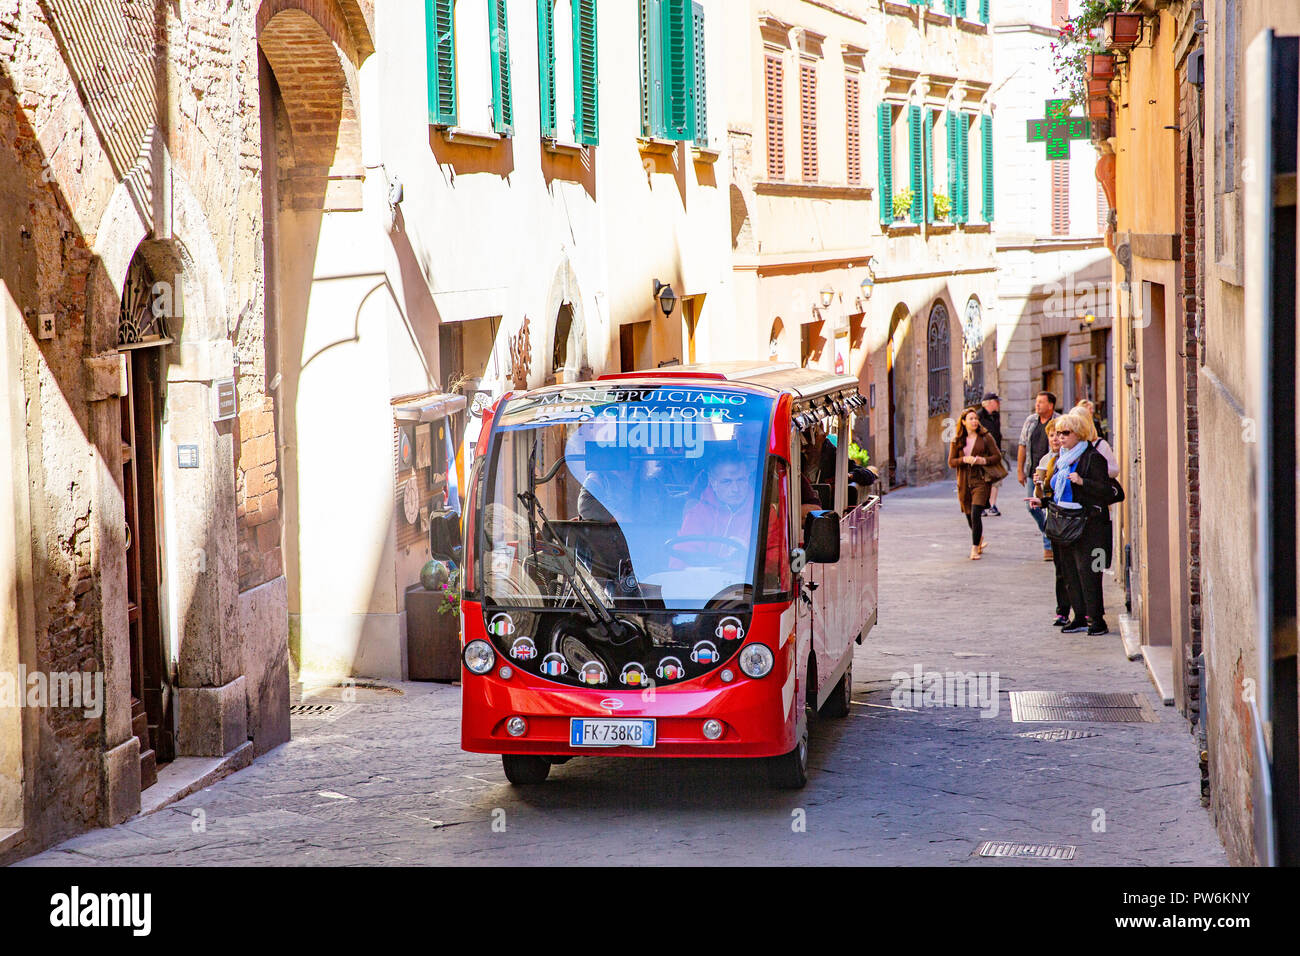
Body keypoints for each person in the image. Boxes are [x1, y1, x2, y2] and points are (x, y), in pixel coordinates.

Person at [1032, 411, 1115, 635]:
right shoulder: (1061, 460)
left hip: (1089, 526)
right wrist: (1042, 501)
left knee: (1088, 573)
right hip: (1064, 524)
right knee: (1069, 573)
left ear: (1078, 434)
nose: (1060, 437)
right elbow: (1059, 494)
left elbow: (1109, 492)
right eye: (1058, 433)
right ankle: (1078, 617)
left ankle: (1096, 620)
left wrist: (1083, 482)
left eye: (1065, 433)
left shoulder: (1092, 457)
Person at [1028, 420, 1074, 628]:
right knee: (1060, 568)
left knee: (1073, 567)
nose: (1056, 439)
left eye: (1059, 434)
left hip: (1071, 518)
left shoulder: (1071, 457)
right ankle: (1062, 611)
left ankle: (1082, 611)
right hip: (1054, 518)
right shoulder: (1046, 459)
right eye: (1052, 435)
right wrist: (1038, 485)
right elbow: (1042, 494)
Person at [676, 452, 756, 563]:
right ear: (713, 482)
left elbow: (774, 558)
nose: (735, 489)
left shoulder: (762, 511)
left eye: (741, 480)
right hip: (705, 578)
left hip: (748, 579)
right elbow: (681, 558)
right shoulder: (698, 514)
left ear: (748, 478)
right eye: (726, 482)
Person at [948, 406, 1002, 561]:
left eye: (976, 419)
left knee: (976, 513)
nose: (974, 421)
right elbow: (951, 462)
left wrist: (982, 460)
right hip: (964, 481)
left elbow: (997, 456)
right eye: (971, 419)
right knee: (969, 515)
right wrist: (964, 459)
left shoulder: (985, 437)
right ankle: (978, 539)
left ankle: (974, 549)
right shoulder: (957, 440)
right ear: (963, 422)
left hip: (980, 480)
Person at [1017, 391, 1061, 561]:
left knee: (1050, 506)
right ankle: (1048, 533)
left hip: (1052, 469)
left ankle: (1048, 546)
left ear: (1050, 405)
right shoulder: (1031, 421)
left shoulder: (1058, 421)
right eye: (1036, 402)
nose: (1037, 405)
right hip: (1033, 470)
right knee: (1032, 506)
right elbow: (1022, 445)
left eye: (1041, 402)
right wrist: (1020, 470)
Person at [1071, 400, 1119, 477]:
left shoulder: (1101, 445)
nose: (1075, 428)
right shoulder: (1066, 447)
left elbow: (1114, 471)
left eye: (1078, 424)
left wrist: (1093, 469)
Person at [978, 392, 1004, 516]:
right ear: (990, 403)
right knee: (983, 481)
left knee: (996, 478)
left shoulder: (996, 416)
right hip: (983, 454)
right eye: (996, 401)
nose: (998, 404)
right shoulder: (978, 416)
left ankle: (992, 505)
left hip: (996, 453)